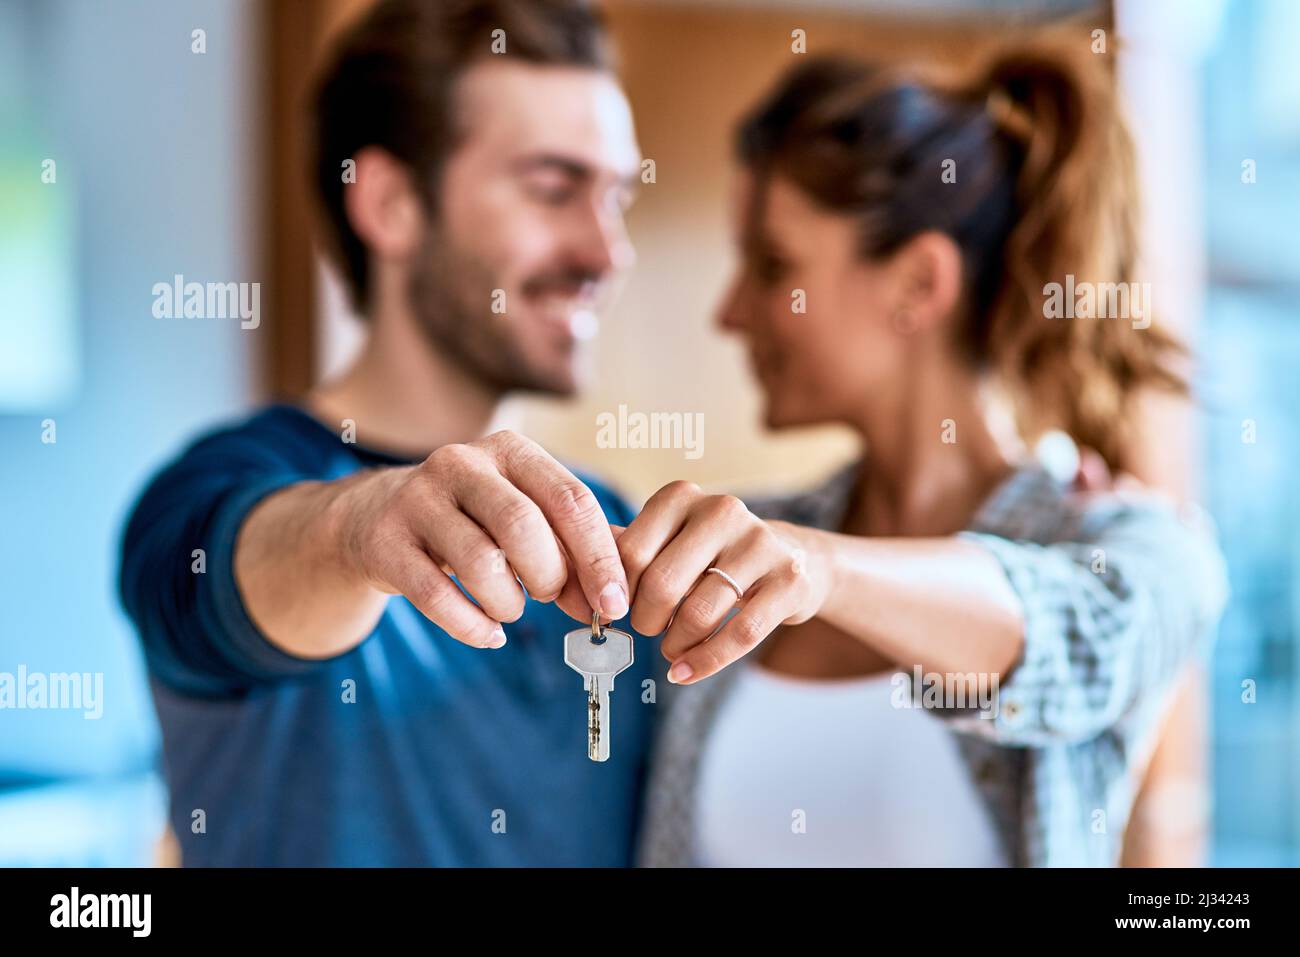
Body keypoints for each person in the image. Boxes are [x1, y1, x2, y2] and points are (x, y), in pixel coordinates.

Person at [629, 41, 1229, 866]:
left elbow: (1073, 643)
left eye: (773, 268)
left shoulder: (1130, 547)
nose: (730, 313)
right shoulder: (753, 542)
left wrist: (825, 571)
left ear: (918, 283)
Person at [119, 0, 671, 867]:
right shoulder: (222, 486)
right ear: (390, 202)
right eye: (555, 188)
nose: (609, 252)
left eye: (617, 197)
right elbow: (242, 569)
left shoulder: (605, 520)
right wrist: (356, 528)